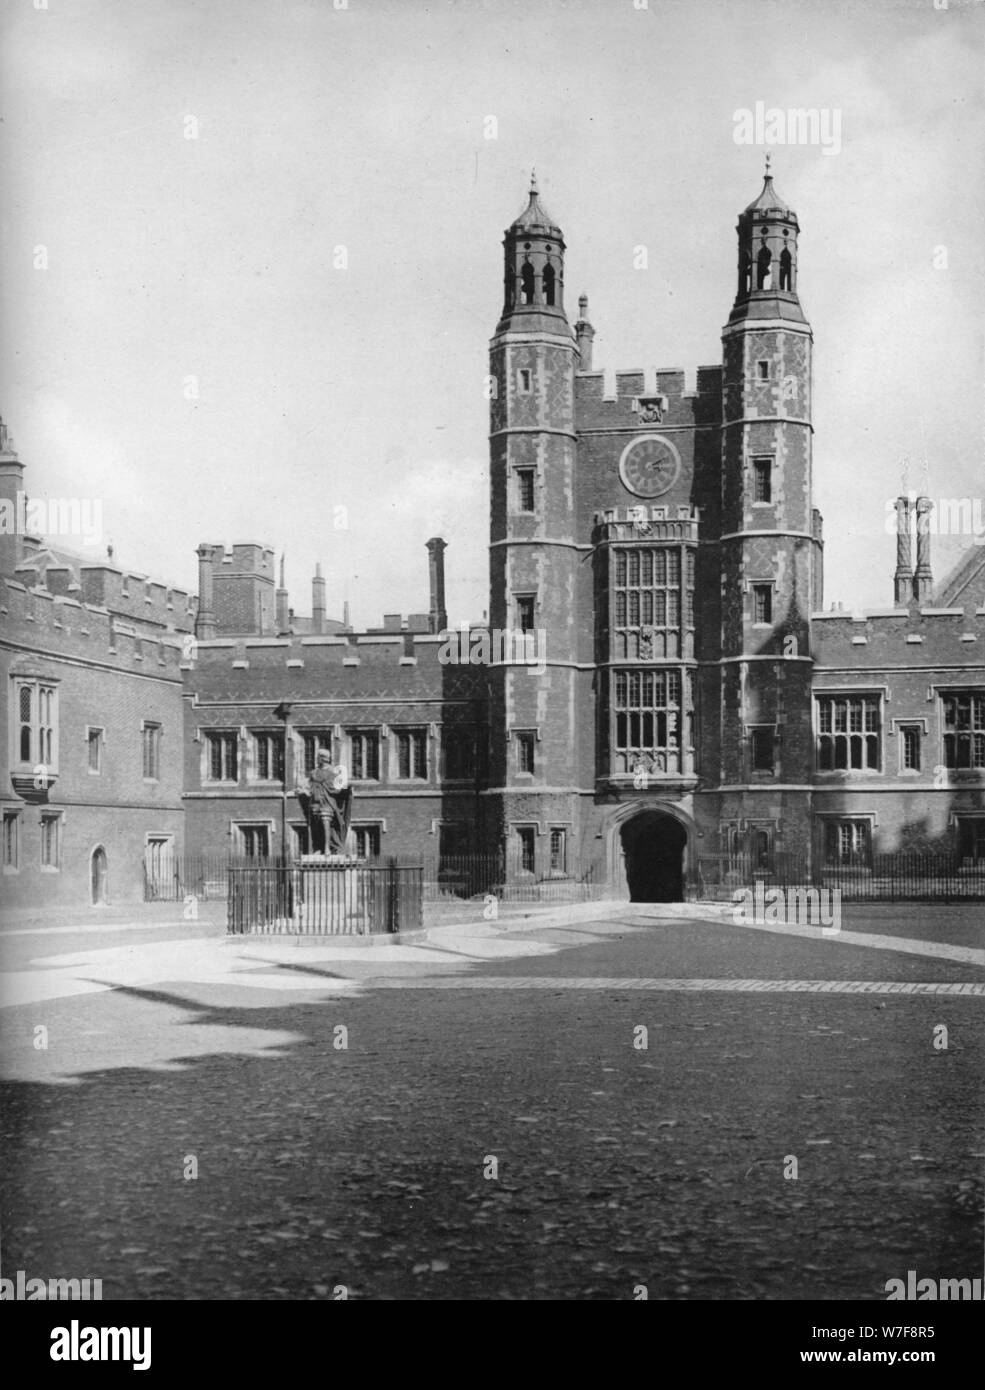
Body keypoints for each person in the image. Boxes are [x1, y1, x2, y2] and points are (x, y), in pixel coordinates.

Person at [304, 750, 352, 855]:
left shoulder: (333, 772)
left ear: (323, 758)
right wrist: (304, 791)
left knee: (326, 820)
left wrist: (346, 787)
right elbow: (309, 786)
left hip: (327, 801)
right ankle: (318, 847)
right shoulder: (314, 772)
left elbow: (339, 786)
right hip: (316, 800)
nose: (316, 759)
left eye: (318, 757)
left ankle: (327, 848)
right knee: (316, 823)